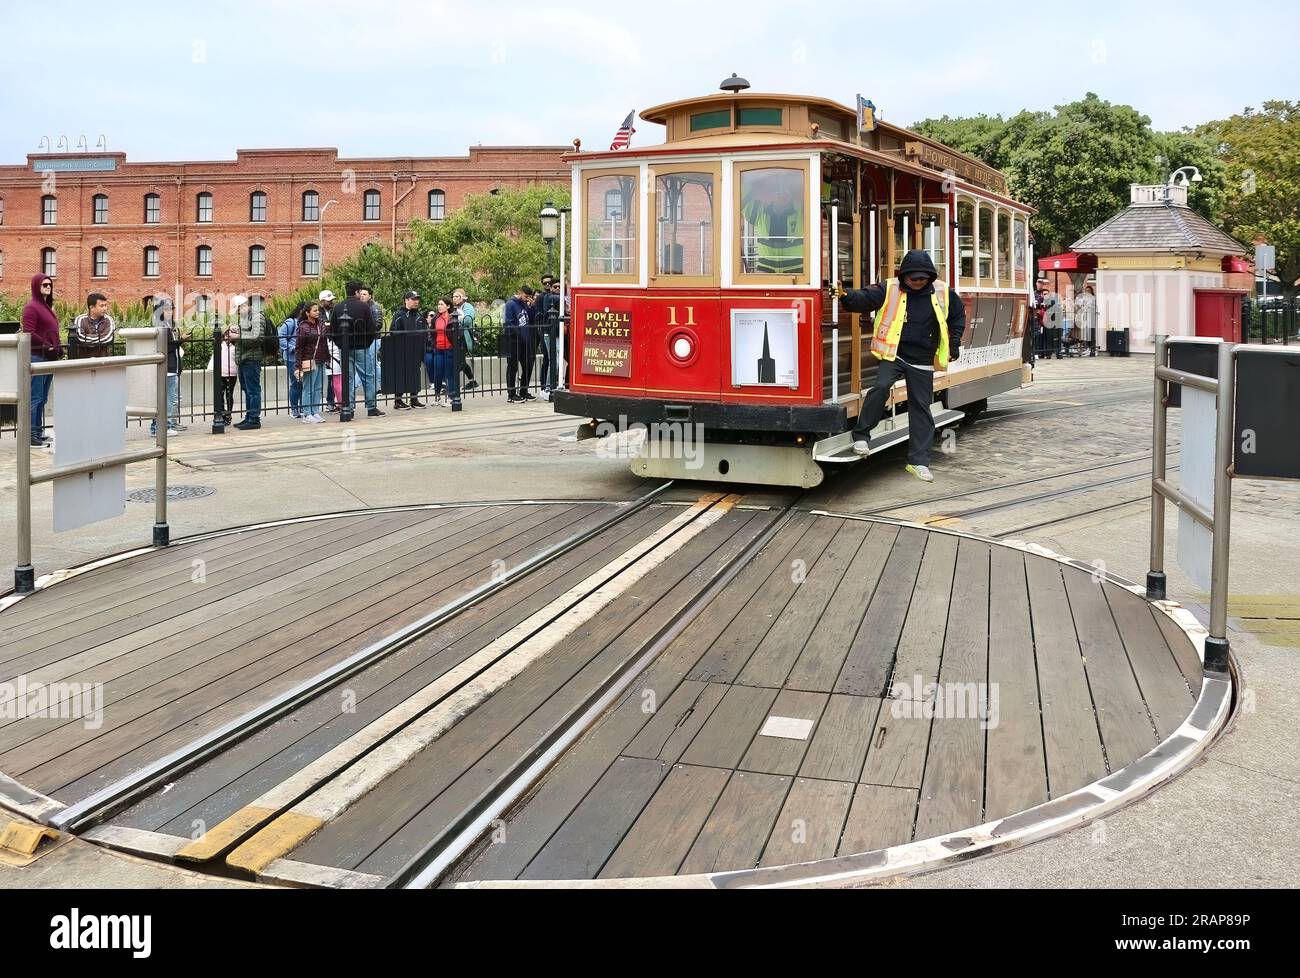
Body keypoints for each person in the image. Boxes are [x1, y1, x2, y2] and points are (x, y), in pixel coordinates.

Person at [836, 249, 965, 483]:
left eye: (922, 278)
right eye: (912, 278)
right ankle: (861, 436)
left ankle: (918, 462)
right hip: (894, 354)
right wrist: (846, 295)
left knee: (921, 408)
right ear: (904, 275)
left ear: (929, 277)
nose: (917, 282)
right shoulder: (890, 287)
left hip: (923, 359)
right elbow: (865, 298)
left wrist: (954, 343)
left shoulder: (943, 292)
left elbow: (957, 317)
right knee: (881, 387)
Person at [20, 275, 61, 447]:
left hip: (48, 357)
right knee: (35, 398)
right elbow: (29, 331)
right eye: (44, 284)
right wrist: (47, 345)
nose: (48, 287)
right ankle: (31, 435)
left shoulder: (47, 307)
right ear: (36, 286)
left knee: (42, 398)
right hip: (38, 356)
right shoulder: (31, 307)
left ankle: (37, 432)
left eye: (50, 284)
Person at [333, 281, 383, 417]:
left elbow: (332, 330)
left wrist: (340, 344)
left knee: (347, 378)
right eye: (360, 292)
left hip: (345, 348)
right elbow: (371, 328)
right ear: (356, 292)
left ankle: (348, 409)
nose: (361, 295)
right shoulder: (363, 307)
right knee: (368, 377)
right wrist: (367, 342)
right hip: (361, 347)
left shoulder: (338, 307)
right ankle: (371, 407)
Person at [742, 180, 805, 274]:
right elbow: (739, 194)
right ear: (771, 193)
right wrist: (755, 187)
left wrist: (827, 176)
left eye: (787, 190)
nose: (783, 194)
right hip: (765, 270)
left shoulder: (802, 209)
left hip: (797, 271)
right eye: (778, 191)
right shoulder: (759, 210)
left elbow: (819, 196)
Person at [230, 294, 271, 430]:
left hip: (251, 358)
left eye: (238, 310)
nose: (237, 313)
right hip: (244, 358)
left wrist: (238, 336)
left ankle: (254, 419)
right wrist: (236, 332)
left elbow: (258, 337)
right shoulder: (245, 318)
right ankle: (249, 417)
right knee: (247, 390)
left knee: (252, 390)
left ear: (244, 306)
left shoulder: (256, 317)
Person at [149, 297, 186, 436]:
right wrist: (181, 340)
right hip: (166, 366)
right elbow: (165, 346)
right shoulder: (160, 324)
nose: (170, 312)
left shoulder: (170, 324)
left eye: (171, 309)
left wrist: (179, 339)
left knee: (168, 399)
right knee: (165, 399)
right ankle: (160, 428)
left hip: (172, 365)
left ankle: (163, 426)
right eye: (166, 309)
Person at [387, 290, 427, 409]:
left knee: (415, 373)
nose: (416, 302)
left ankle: (414, 399)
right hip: (403, 349)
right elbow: (393, 331)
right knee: (402, 374)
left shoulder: (418, 314)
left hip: (416, 348)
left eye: (417, 299)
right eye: (413, 299)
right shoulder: (399, 314)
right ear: (406, 300)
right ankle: (398, 400)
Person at [424, 297, 464, 409]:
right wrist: (434, 344)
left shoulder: (452, 318)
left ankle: (451, 397)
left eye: (442, 304)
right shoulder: (436, 319)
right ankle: (437, 397)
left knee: (449, 374)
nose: (439, 306)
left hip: (449, 349)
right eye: (438, 304)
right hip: (439, 348)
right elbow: (432, 333)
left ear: (448, 306)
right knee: (438, 373)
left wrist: (454, 345)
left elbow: (458, 334)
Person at [295, 302, 329, 423]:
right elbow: (299, 347)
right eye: (314, 311)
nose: (318, 312)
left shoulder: (321, 324)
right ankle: (307, 413)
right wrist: (298, 365)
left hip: (321, 358)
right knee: (308, 387)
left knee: (318, 388)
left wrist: (327, 358)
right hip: (309, 360)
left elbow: (324, 342)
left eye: (318, 310)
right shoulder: (303, 327)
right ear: (307, 313)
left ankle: (315, 411)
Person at [503, 285, 536, 403]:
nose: (527, 299)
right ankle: (511, 394)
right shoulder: (510, 304)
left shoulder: (525, 304)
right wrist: (519, 333)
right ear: (520, 292)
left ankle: (523, 391)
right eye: (525, 296)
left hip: (525, 341)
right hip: (513, 340)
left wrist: (532, 307)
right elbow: (508, 322)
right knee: (513, 367)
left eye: (529, 297)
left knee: (528, 365)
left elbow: (531, 320)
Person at [534, 279, 561, 400]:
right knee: (552, 360)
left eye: (560, 287)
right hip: (548, 333)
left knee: (559, 361)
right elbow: (557, 299)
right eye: (555, 287)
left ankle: (556, 384)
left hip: (558, 334)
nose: (557, 289)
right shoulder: (548, 298)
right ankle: (548, 388)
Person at [278, 302, 305, 419]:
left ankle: (303, 406)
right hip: (292, 357)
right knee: (296, 382)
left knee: (304, 383)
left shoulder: (305, 323)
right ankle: (294, 408)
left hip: (304, 357)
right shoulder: (291, 322)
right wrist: (291, 348)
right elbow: (281, 337)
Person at [70, 292, 116, 359]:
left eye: (105, 305)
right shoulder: (80, 319)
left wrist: (89, 341)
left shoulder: (109, 320)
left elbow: (108, 338)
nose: (105, 308)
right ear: (91, 307)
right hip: (84, 360)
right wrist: (99, 339)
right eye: (101, 306)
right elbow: (80, 337)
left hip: (103, 360)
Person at [451, 288, 479, 390]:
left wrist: (454, 319)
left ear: (462, 298)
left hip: (463, 338)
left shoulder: (468, 307)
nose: (454, 298)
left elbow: (467, 320)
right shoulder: (453, 308)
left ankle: (451, 385)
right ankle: (472, 381)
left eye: (456, 296)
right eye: (453, 296)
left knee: (459, 362)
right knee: (460, 361)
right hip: (454, 337)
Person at [319, 289, 338, 411]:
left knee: (333, 375)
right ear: (322, 301)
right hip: (322, 345)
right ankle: (329, 402)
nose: (331, 302)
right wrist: (328, 325)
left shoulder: (335, 311)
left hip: (334, 344)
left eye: (332, 300)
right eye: (328, 300)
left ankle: (332, 401)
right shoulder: (317, 312)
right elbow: (322, 326)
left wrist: (329, 325)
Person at [218, 325, 238, 425]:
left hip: (232, 373)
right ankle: (221, 414)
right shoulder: (220, 344)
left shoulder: (236, 346)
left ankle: (229, 414)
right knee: (219, 395)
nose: (228, 336)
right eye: (226, 334)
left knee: (229, 395)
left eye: (230, 334)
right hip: (221, 373)